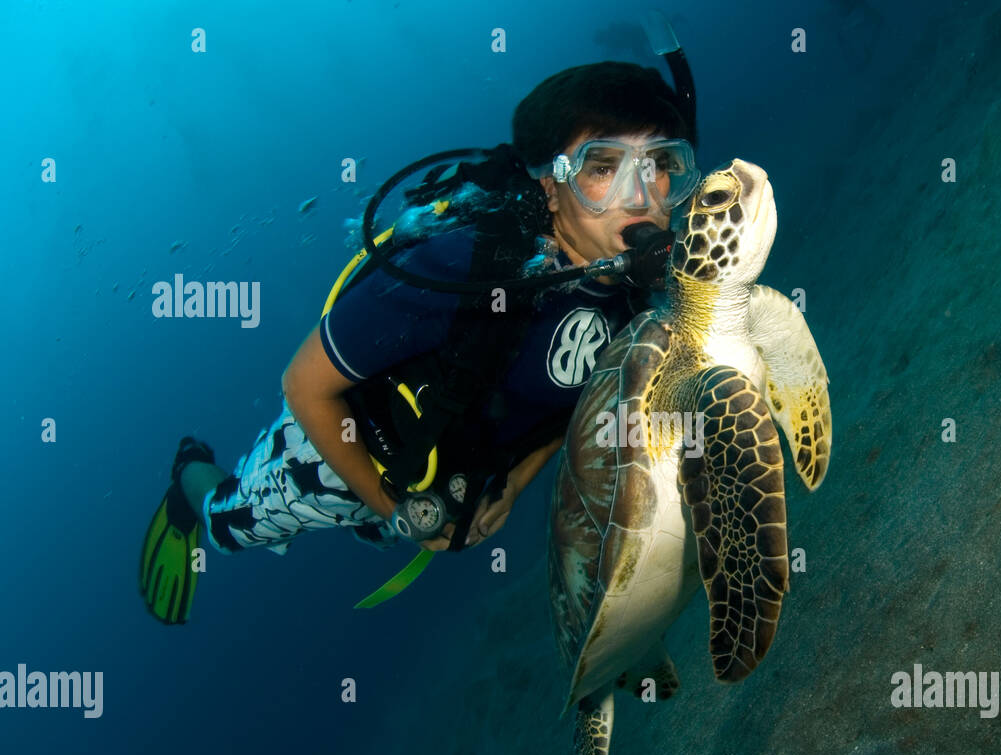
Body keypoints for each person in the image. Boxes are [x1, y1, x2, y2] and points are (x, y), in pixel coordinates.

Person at [138, 53, 703, 625]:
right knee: (226, 527)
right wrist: (398, 513)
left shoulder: (635, 290)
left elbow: (580, 400)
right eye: (602, 167)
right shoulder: (460, 269)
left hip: (450, 472)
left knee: (376, 529)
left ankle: (374, 523)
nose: (640, 197)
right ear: (549, 187)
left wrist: (511, 484)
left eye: (658, 162)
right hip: (335, 451)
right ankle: (190, 474)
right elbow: (305, 386)